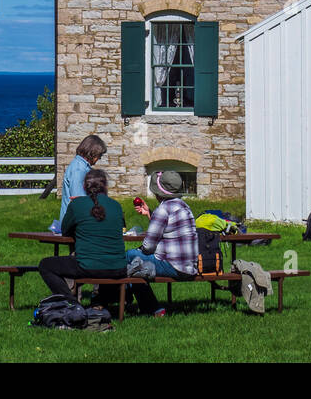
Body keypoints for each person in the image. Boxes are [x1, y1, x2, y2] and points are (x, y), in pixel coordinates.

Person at [38, 168, 126, 298]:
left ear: (84, 186)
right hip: (118, 266)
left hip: (87, 265)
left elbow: (65, 230)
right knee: (105, 265)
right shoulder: (116, 205)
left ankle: (69, 300)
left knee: (46, 265)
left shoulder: (77, 204)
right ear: (106, 186)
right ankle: (100, 303)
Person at [124, 170, 197, 316]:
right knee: (134, 266)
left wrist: (139, 251)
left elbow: (148, 247)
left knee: (129, 256)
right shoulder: (184, 206)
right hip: (189, 266)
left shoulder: (163, 209)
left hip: (172, 265)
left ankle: (127, 300)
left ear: (159, 193)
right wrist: (149, 214)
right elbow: (167, 230)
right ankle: (149, 308)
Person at [57, 134, 106, 225]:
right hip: (75, 223)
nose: (99, 158)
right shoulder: (79, 169)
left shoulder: (82, 167)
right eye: (99, 155)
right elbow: (78, 201)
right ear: (92, 153)